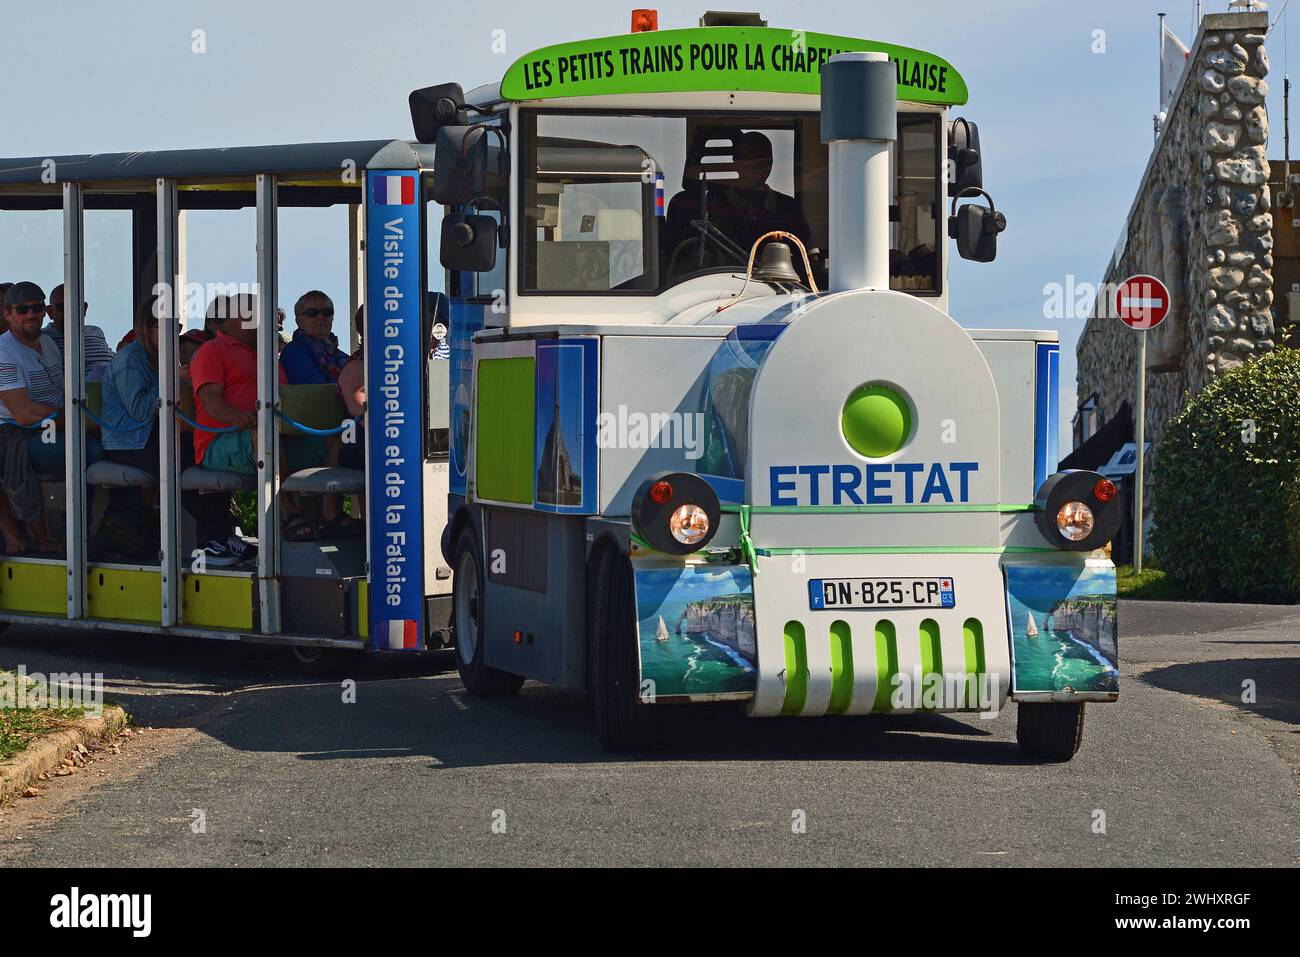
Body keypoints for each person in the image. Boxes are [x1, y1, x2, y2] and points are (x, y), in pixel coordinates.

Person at [94, 298, 250, 565]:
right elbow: (140, 410)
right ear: (147, 327)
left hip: (157, 436)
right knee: (184, 462)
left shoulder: (162, 359)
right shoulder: (129, 361)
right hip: (128, 443)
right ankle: (214, 538)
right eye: (166, 327)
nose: (172, 335)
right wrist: (173, 381)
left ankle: (221, 535)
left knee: (205, 452)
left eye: (175, 327)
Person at [190, 293, 321, 542]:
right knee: (263, 433)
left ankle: (325, 519)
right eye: (249, 314)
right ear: (228, 320)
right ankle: (288, 513)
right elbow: (211, 401)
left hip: (269, 436)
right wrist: (239, 417)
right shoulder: (212, 350)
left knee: (329, 441)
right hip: (219, 443)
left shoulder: (267, 355)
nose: (258, 320)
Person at [0, 281, 104, 554]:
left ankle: (91, 533)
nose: (31, 314)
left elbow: (62, 391)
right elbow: (23, 413)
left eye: (36, 307)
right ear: (8, 314)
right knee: (89, 451)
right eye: (22, 309)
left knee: (118, 445)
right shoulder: (3, 351)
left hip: (54, 425)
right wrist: (77, 420)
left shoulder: (48, 343)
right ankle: (77, 536)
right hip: (19, 434)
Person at [665, 130, 812, 270]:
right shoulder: (706, 208)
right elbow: (682, 263)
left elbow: (808, 260)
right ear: (735, 162)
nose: (758, 164)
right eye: (750, 157)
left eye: (765, 158)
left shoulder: (789, 209)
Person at [44, 284, 116, 381]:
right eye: (62, 307)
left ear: (84, 308)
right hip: (78, 394)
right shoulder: (42, 337)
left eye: (76, 305)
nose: (70, 312)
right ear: (50, 312)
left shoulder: (96, 331)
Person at [278, 291, 349, 385]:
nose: (321, 317)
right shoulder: (293, 352)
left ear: (332, 318)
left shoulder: (342, 357)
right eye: (312, 313)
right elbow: (317, 391)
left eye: (327, 312)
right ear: (298, 321)